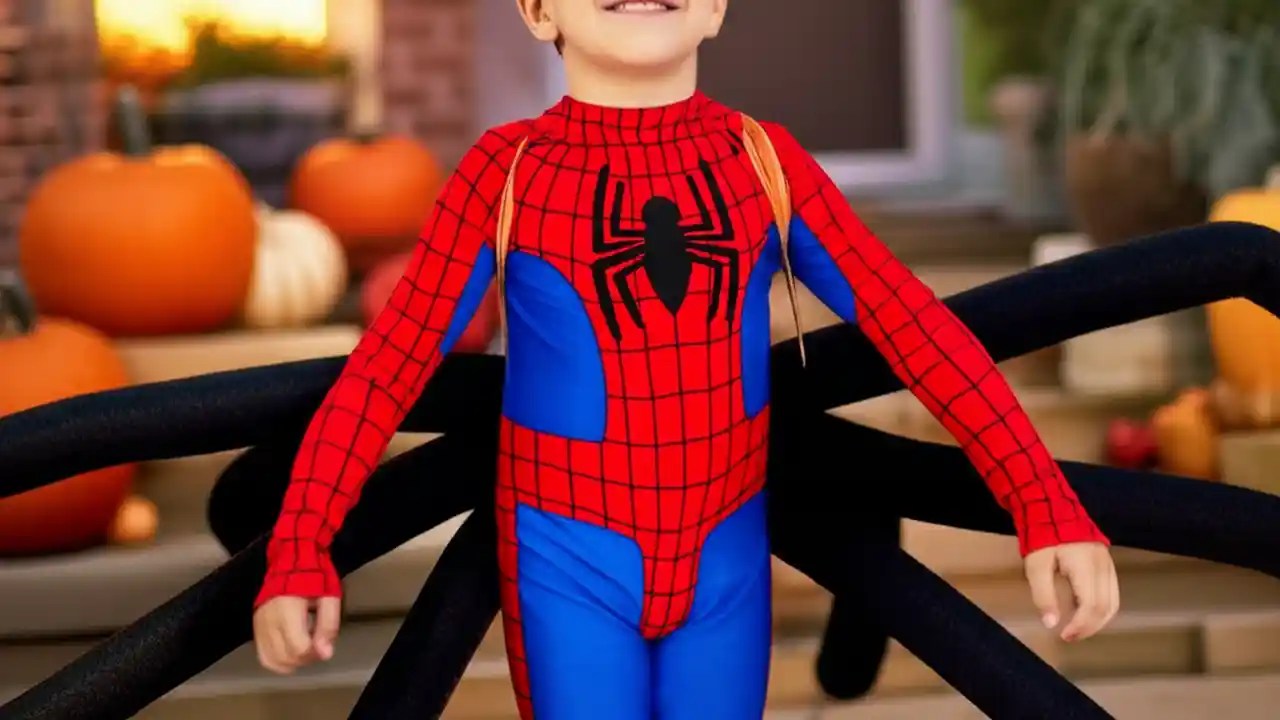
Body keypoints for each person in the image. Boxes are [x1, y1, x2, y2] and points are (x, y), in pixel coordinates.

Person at [251, 1, 1119, 717]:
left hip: (726, 555)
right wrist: (299, 546)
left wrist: (1046, 502)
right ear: (535, 8)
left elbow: (913, 326)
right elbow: (388, 367)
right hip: (567, 558)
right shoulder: (502, 173)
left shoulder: (763, 161)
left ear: (717, 7)